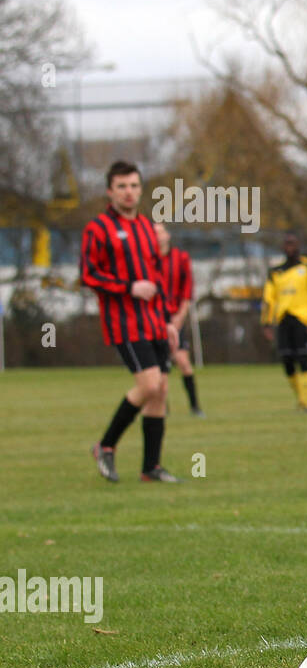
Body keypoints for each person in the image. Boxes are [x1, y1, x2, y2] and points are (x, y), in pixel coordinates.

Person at [82, 160, 182, 483]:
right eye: (122, 186)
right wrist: (128, 287)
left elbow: (155, 276)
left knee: (162, 389)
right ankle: (106, 445)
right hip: (124, 322)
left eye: (134, 186)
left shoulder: (145, 227)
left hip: (153, 320)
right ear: (110, 191)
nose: (129, 192)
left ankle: (150, 468)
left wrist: (167, 319)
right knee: (149, 385)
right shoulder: (97, 229)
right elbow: (88, 274)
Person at [261, 234, 307, 411]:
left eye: (292, 244)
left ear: (298, 246)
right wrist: (266, 323)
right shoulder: (275, 272)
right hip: (283, 319)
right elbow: (268, 299)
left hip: (302, 319)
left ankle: (305, 402)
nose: (289, 247)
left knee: (303, 357)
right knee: (287, 360)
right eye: (286, 244)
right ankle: (300, 397)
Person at [153, 220, 203, 417]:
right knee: (159, 369)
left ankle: (195, 406)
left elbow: (187, 292)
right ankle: (163, 409)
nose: (158, 236)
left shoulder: (180, 258)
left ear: (168, 235)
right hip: (154, 318)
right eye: (154, 233)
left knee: (182, 361)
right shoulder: (147, 260)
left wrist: (179, 318)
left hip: (175, 317)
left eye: (161, 232)